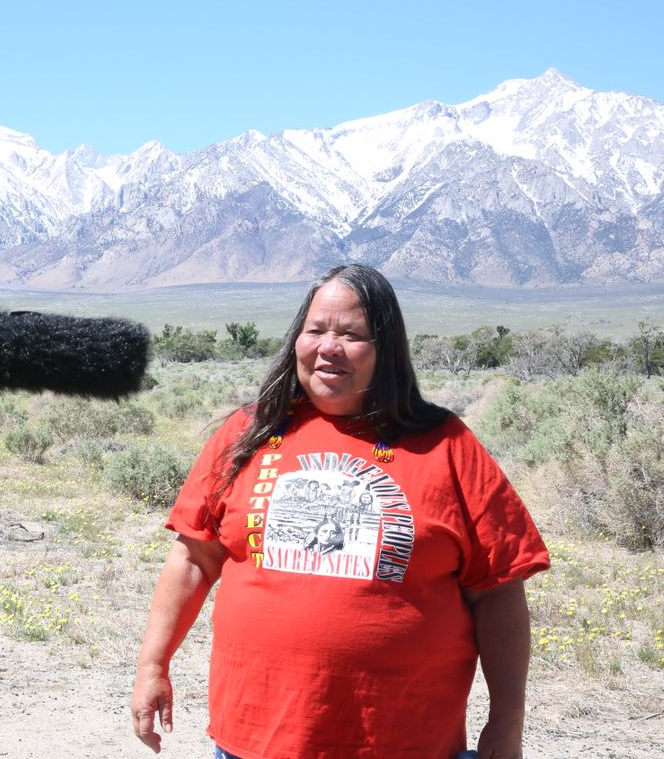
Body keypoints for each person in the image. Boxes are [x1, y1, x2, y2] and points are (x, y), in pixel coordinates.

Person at [130, 264, 550, 759]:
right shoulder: (250, 432)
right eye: (316, 330)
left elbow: (498, 592)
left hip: (405, 742)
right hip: (255, 741)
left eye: (351, 334)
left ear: (386, 351)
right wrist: (152, 667)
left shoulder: (446, 446)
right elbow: (194, 559)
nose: (329, 346)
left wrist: (507, 721)